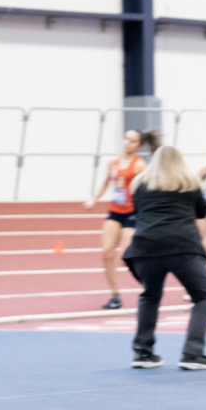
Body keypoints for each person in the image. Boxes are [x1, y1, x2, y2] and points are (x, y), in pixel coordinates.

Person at [122, 146, 206, 370]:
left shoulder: (140, 184)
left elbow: (138, 211)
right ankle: (192, 353)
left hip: (145, 247)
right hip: (182, 246)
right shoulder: (189, 183)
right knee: (205, 298)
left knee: (150, 296)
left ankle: (143, 353)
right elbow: (202, 212)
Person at [83, 129, 161, 309]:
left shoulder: (140, 165)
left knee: (126, 255)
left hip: (132, 213)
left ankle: (150, 283)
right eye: (126, 139)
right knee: (106, 253)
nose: (128, 143)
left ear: (138, 145)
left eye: (133, 141)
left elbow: (149, 187)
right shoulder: (114, 162)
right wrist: (94, 199)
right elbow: (105, 182)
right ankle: (115, 296)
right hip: (115, 212)